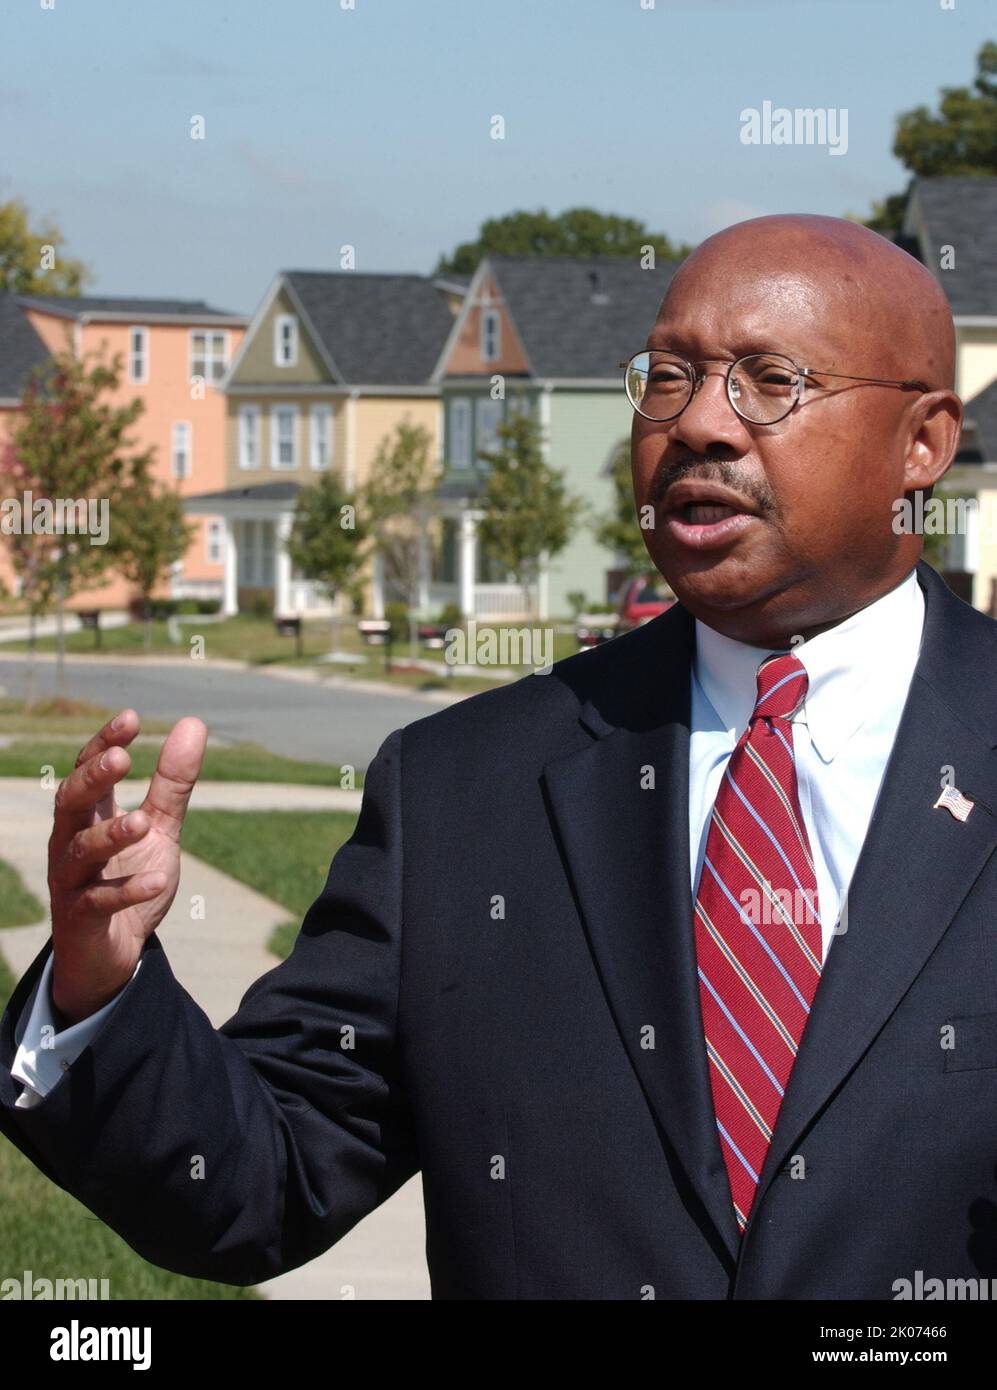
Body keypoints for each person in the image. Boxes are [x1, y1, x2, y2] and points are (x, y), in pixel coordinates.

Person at [1, 214, 991, 1300]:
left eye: (769, 379)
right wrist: (102, 982)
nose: (701, 421)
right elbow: (258, 1179)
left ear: (923, 444)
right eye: (668, 376)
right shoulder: (464, 792)